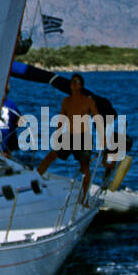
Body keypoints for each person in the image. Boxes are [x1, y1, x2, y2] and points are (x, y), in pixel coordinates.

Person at [37, 73, 98, 205]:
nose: (72, 84)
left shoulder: (88, 101)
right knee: (50, 156)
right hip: (68, 136)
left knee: (84, 167)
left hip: (83, 137)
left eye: (75, 82)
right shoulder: (66, 100)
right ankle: (33, 180)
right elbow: (61, 119)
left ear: (81, 85)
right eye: (71, 81)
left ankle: (84, 198)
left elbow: (97, 118)